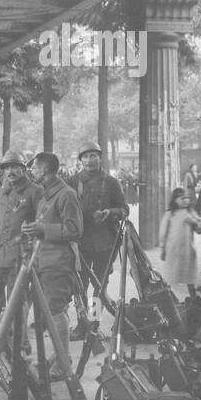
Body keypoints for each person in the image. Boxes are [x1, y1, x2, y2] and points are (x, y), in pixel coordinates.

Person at [21, 152, 82, 380]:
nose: (32, 171)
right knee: (52, 310)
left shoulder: (66, 195)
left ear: (45, 170)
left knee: (56, 311)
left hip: (58, 262)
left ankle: (63, 364)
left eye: (34, 168)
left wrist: (42, 229)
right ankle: (59, 357)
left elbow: (75, 230)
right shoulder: (48, 194)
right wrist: (36, 228)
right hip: (44, 260)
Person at [65, 142, 129, 340]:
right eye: (85, 156)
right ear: (80, 160)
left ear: (100, 158)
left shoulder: (111, 182)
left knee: (99, 286)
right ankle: (81, 324)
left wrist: (110, 212)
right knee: (79, 285)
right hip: (80, 242)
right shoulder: (71, 182)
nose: (89, 160)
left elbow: (124, 209)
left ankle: (93, 324)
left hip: (104, 243)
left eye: (93, 156)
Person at [0, 151, 43, 311]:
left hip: (21, 255)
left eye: (14, 167)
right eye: (6, 168)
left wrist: (32, 228)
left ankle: (18, 336)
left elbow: (43, 219)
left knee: (16, 299)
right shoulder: (3, 191)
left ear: (24, 169)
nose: (10, 171)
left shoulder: (35, 191)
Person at [159, 187, 201, 298]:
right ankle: (167, 296)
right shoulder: (170, 214)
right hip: (173, 249)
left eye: (187, 198)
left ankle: (193, 296)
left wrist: (194, 223)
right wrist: (163, 247)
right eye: (182, 198)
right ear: (175, 199)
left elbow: (200, 228)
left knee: (189, 274)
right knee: (171, 274)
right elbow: (163, 232)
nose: (185, 200)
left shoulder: (191, 212)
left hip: (187, 250)